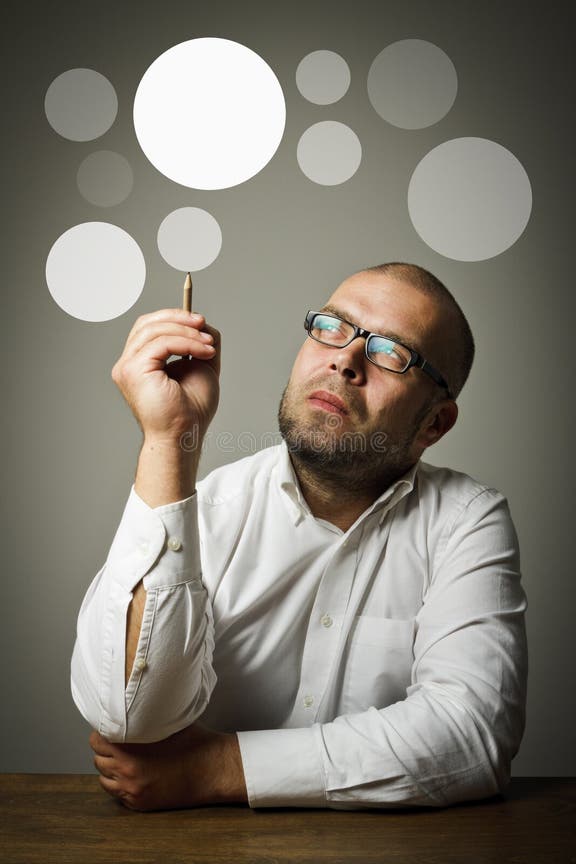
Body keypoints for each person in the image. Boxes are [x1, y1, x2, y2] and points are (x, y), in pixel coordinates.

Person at [71, 262, 528, 812]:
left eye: (390, 352)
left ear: (435, 423)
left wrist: (213, 768)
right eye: (333, 326)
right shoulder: (209, 511)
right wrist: (170, 443)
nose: (346, 359)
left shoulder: (466, 521)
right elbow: (128, 719)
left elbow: (470, 736)